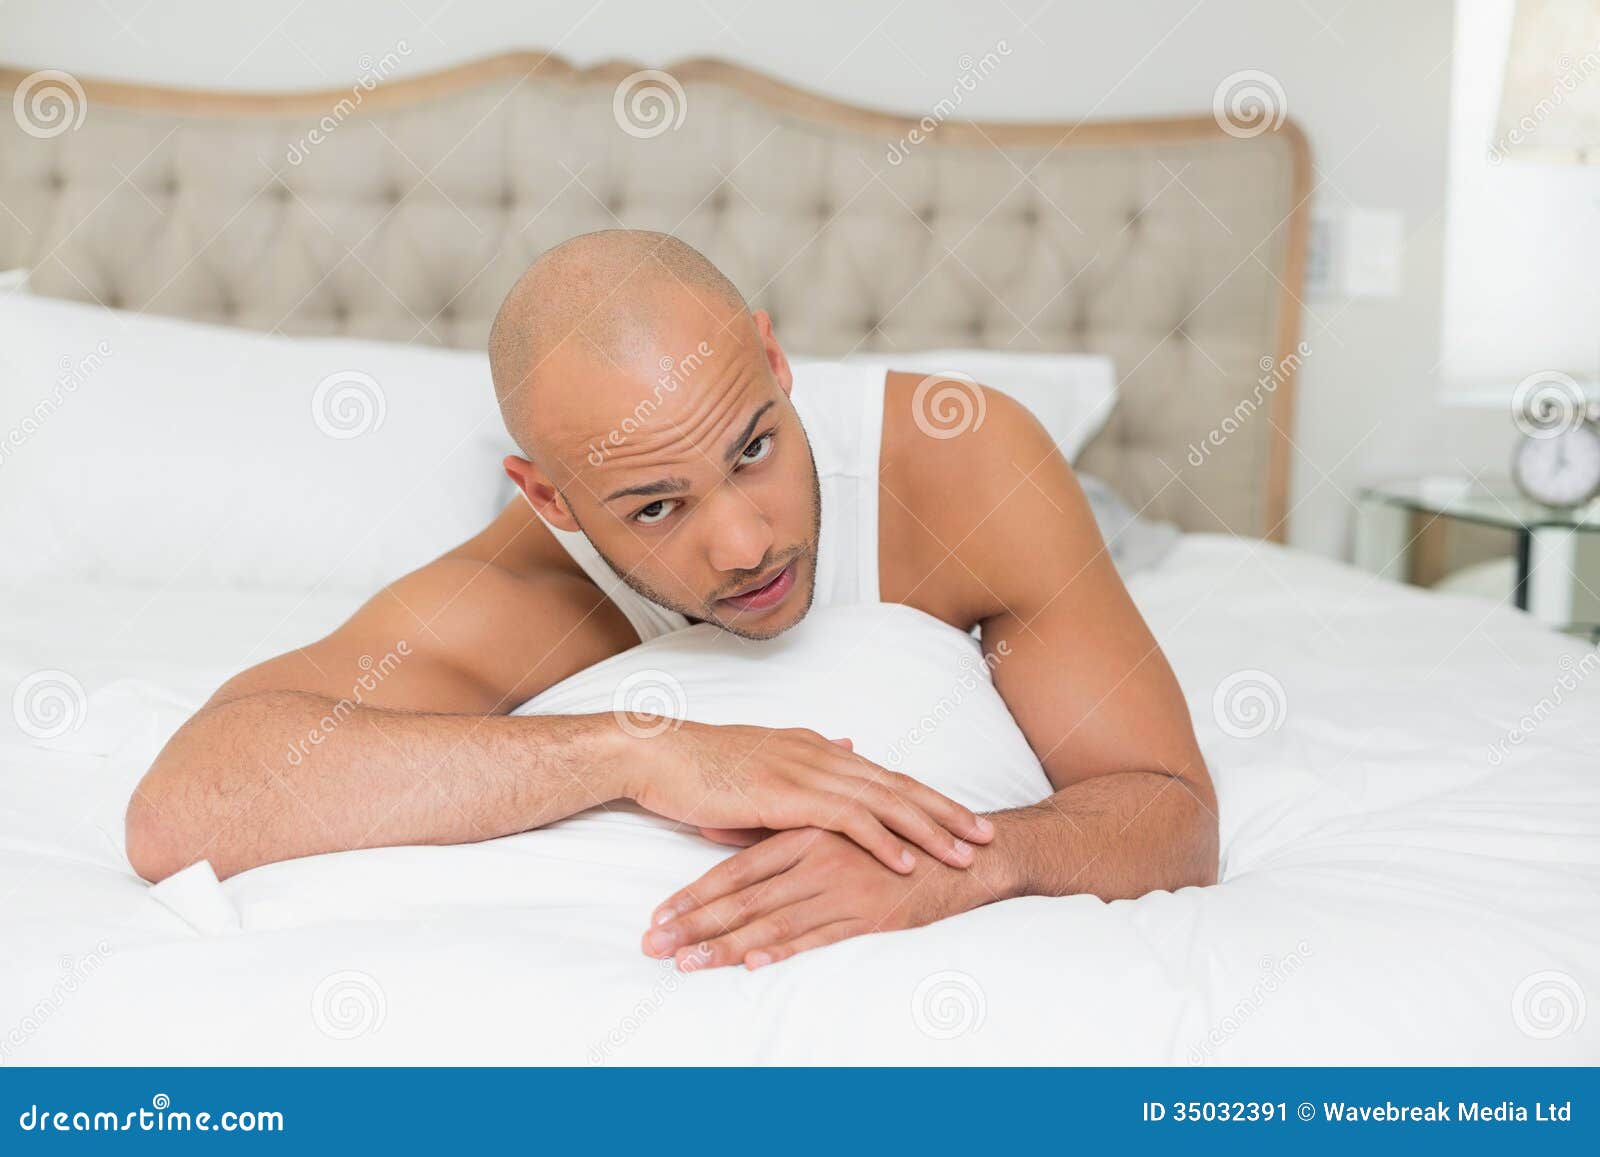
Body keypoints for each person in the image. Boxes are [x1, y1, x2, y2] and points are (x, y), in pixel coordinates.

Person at [126, 229, 1217, 971]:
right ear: (550, 496)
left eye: (753, 450)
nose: (745, 544)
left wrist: (965, 861)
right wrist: (636, 750)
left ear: (775, 358)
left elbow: (1169, 806)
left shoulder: (965, 462)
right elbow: (183, 805)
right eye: (655, 508)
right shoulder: (515, 588)